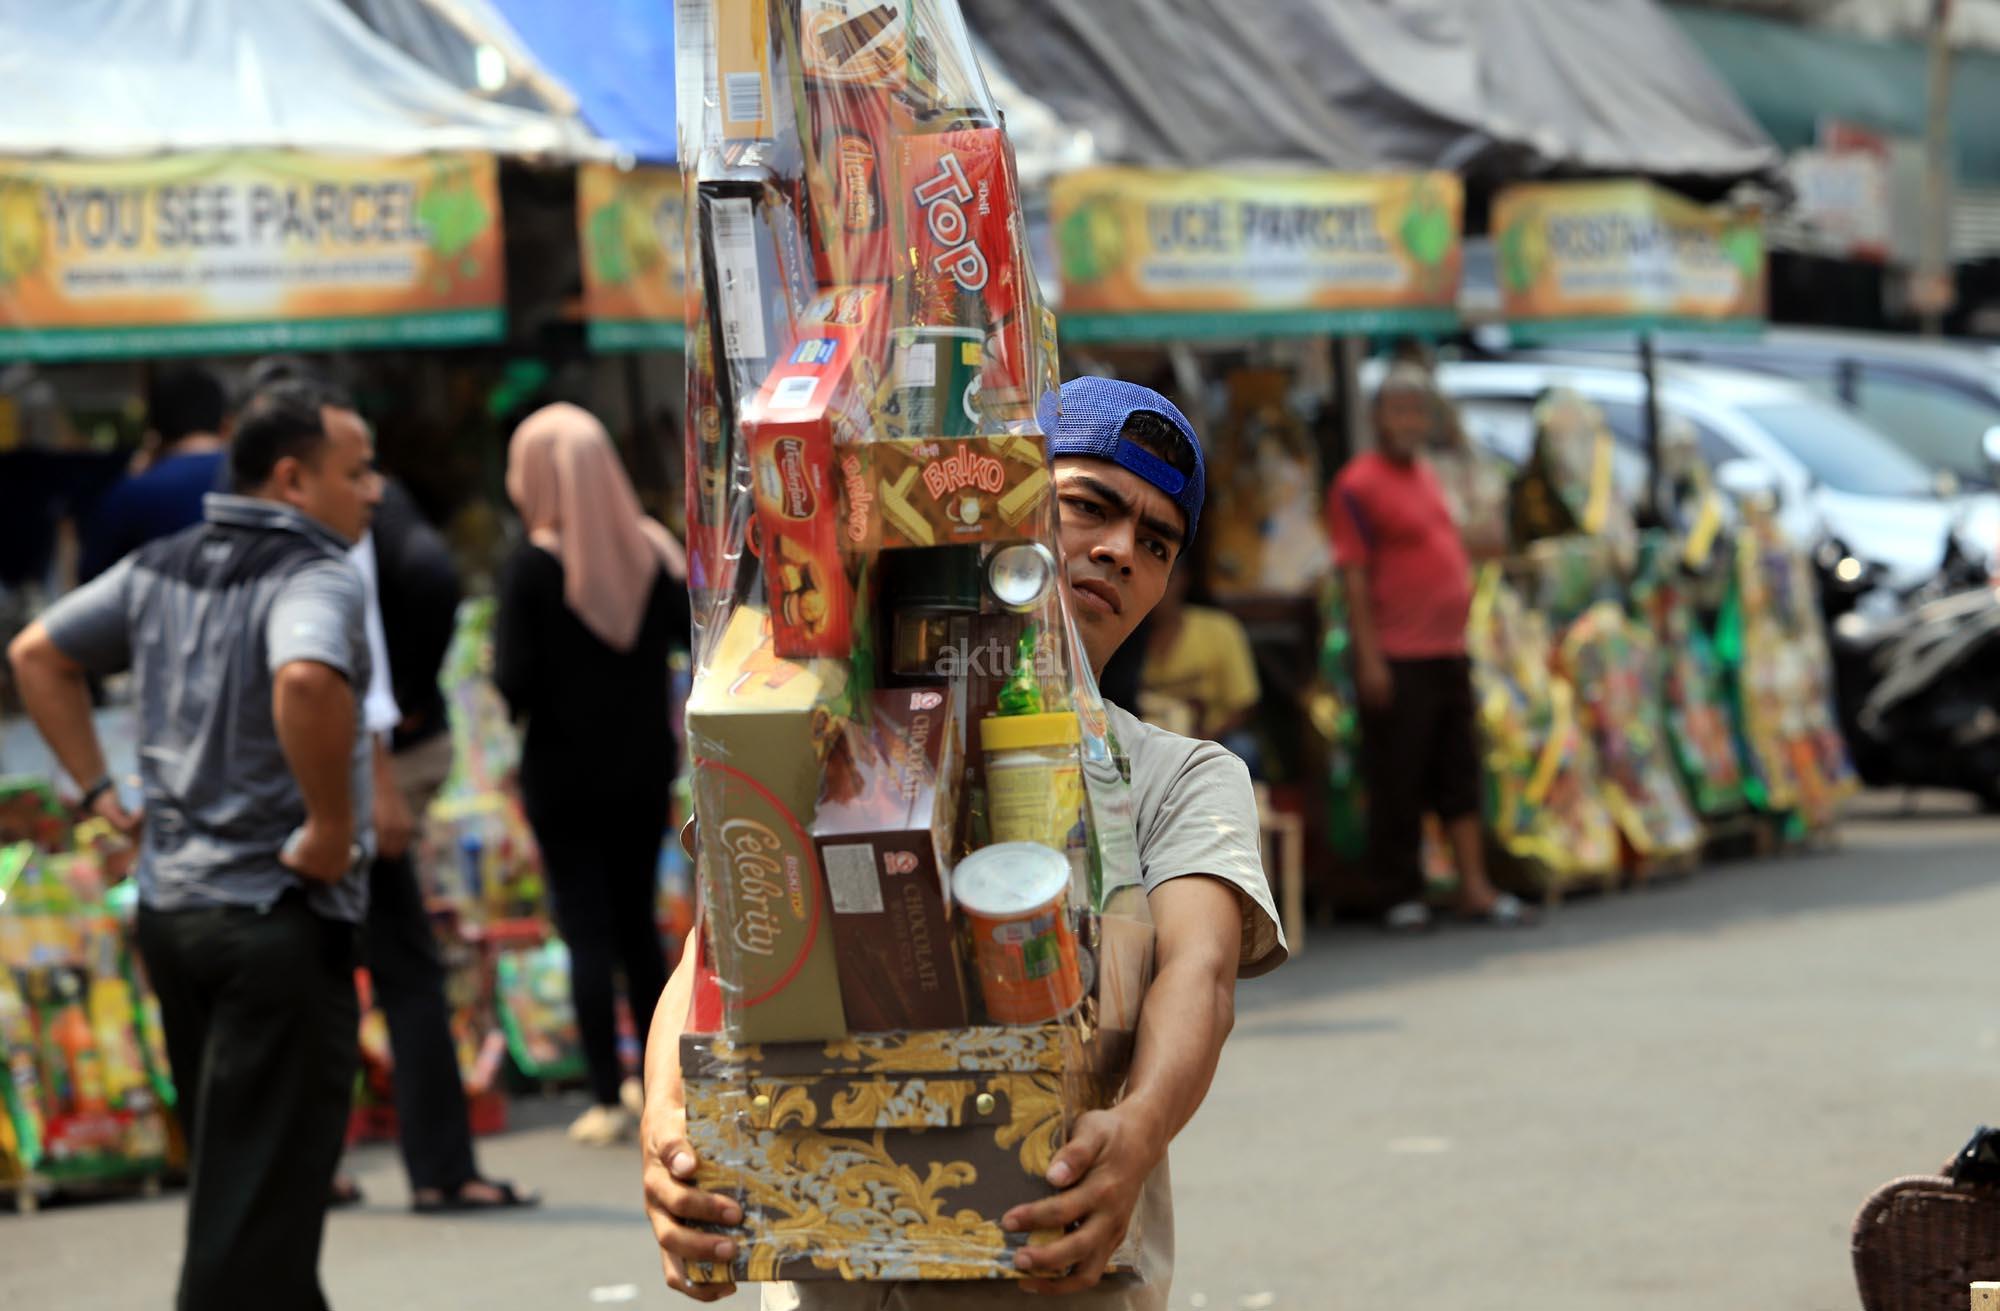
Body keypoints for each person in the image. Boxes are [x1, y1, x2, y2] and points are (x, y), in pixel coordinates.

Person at [641, 376, 1288, 1310]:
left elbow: (1203, 973)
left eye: (1156, 543)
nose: (1118, 550)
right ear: (1010, 502)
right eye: (1088, 508)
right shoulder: (850, 728)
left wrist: (1140, 1126)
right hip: (834, 1270)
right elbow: (720, 946)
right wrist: (667, 1132)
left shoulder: (1180, 776)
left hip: (1055, 1271)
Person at [8, 380, 379, 1308]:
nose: (373, 490)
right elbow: (304, 678)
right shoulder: (316, 574)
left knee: (255, 1191)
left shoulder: (161, 563)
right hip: (271, 921)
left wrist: (99, 790)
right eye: (357, 470)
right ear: (293, 479)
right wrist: (331, 824)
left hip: (177, 916)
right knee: (250, 1214)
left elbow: (35, 654)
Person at [493, 402, 689, 1147]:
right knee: (639, 928)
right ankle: (650, 1078)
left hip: (562, 777)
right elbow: (692, 637)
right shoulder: (649, 552)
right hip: (641, 771)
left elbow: (513, 681)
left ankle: (605, 1098)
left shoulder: (531, 568)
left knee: (585, 930)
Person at [1327, 364, 1530, 932]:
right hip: (1397, 652)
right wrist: (1368, 656)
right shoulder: (1357, 484)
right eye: (1398, 410)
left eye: (1417, 410)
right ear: (1377, 418)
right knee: (1399, 776)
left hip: (1446, 649)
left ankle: (1474, 886)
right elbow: (1354, 576)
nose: (1409, 421)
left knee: (1458, 772)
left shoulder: (1428, 475)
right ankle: (1399, 891)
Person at [78, 366, 230, 582]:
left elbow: (92, 577)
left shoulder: (131, 493)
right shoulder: (257, 480)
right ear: (226, 424)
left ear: (154, 432)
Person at [1139, 563, 1262, 770]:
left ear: (1183, 580)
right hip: (1149, 744)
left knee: (1243, 749)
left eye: (1168, 580)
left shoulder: (1220, 629)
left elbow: (1244, 703)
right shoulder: (1126, 640)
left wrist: (1204, 739)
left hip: (1213, 739)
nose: (1159, 590)